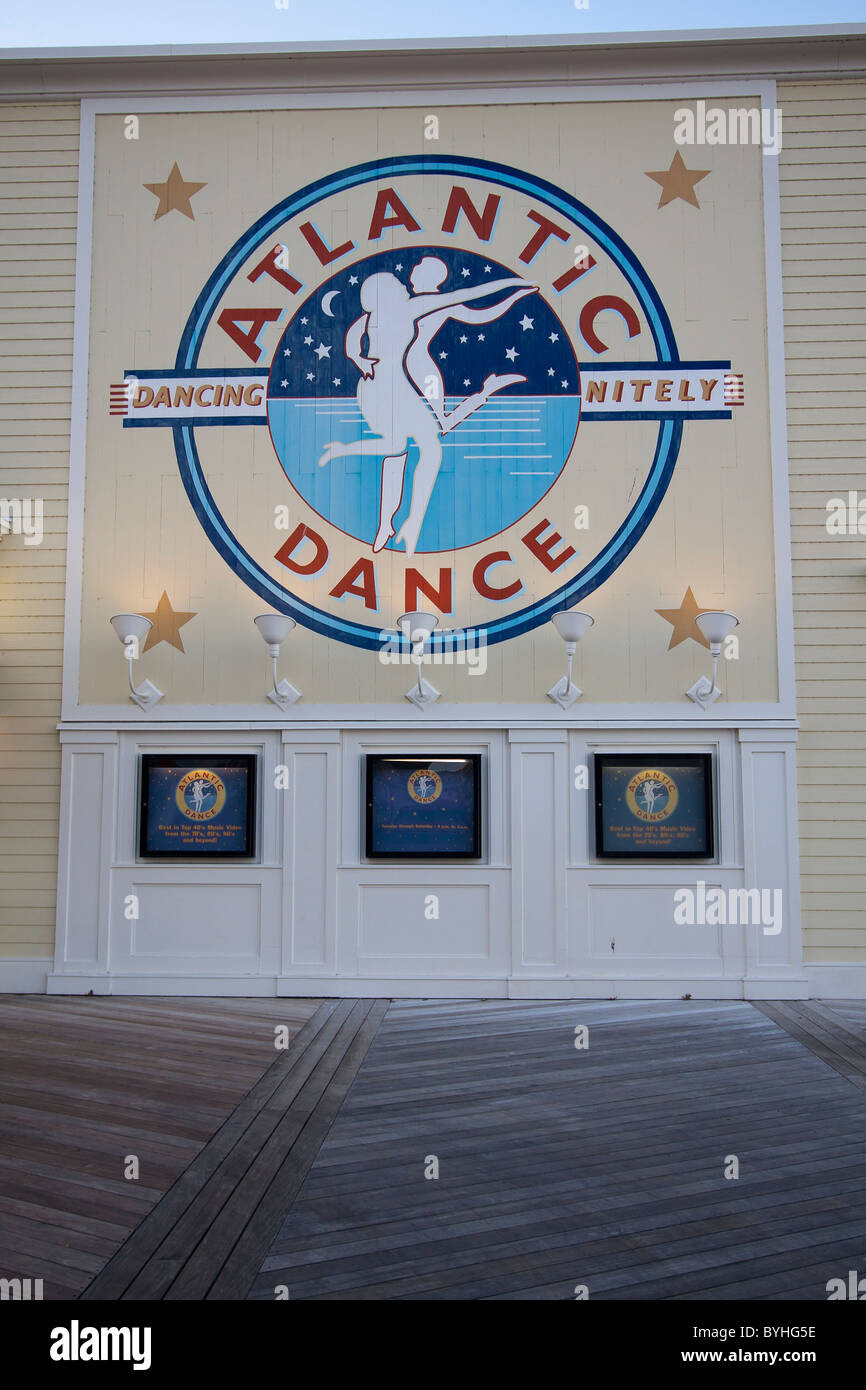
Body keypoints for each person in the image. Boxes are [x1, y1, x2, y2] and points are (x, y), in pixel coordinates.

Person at [318, 265, 537, 555]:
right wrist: (514, 286)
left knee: (411, 448)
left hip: (384, 386)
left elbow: (350, 342)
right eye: (397, 284)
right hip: (391, 388)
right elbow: (470, 293)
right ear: (384, 294)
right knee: (408, 446)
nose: (404, 286)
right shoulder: (410, 308)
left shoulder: (373, 316)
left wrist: (360, 360)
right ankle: (390, 507)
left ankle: (394, 522)